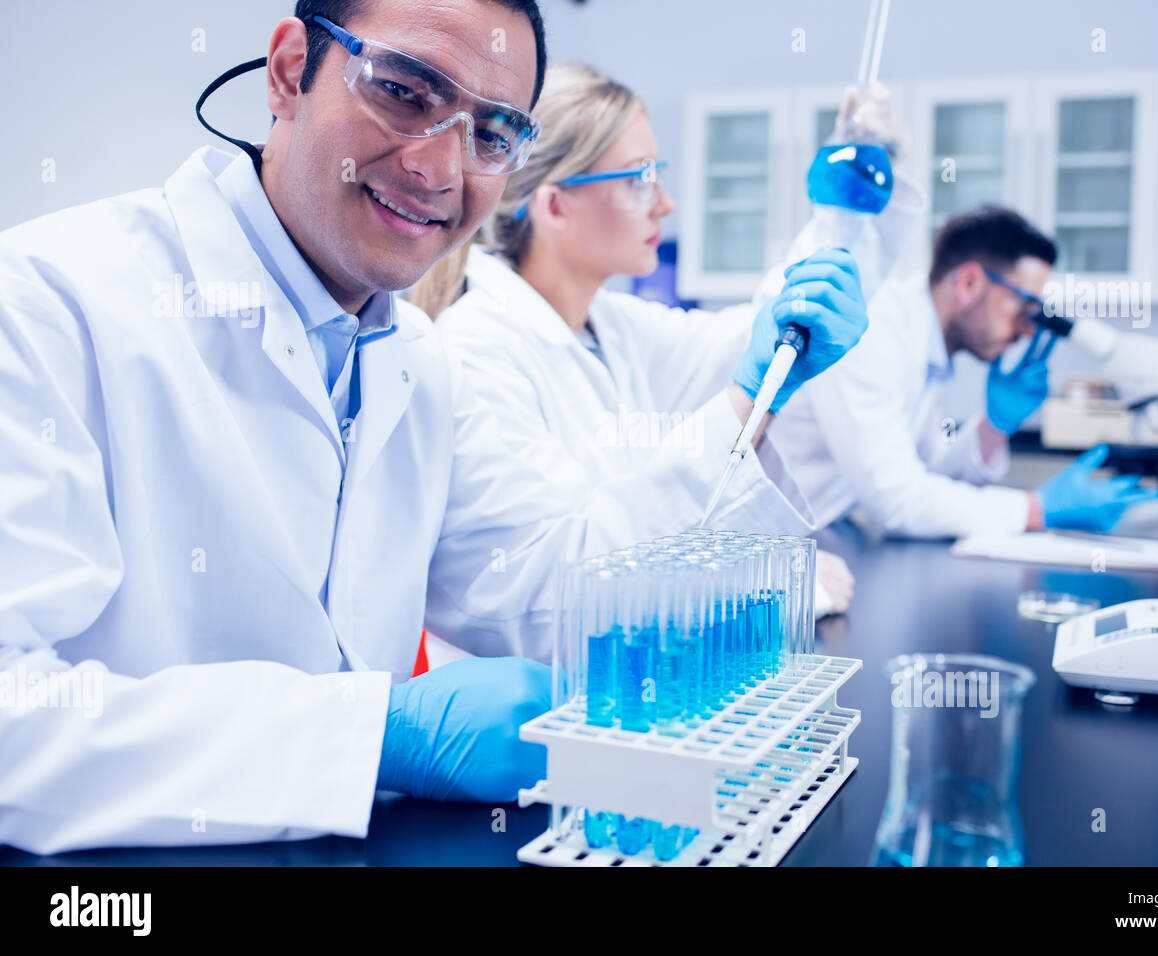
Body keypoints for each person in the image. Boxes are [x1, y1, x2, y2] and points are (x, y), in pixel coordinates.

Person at [0, 0, 870, 855]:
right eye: (406, 91)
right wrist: (374, 737)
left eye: (491, 132)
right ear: (290, 71)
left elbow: (540, 591)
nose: (439, 167)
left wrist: (766, 387)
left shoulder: (413, 357)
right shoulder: (49, 303)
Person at [410, 66, 924, 638]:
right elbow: (553, 595)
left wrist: (846, 207)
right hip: (537, 704)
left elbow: (780, 318)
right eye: (641, 179)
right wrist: (765, 588)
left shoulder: (613, 329)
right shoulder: (477, 350)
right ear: (555, 207)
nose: (666, 204)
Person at [769, 205, 1158, 538]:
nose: (1029, 329)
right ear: (970, 282)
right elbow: (898, 501)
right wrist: (1036, 509)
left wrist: (994, 427)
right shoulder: (874, 328)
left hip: (819, 534)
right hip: (765, 543)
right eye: (1023, 307)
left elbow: (927, 471)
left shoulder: (930, 349)